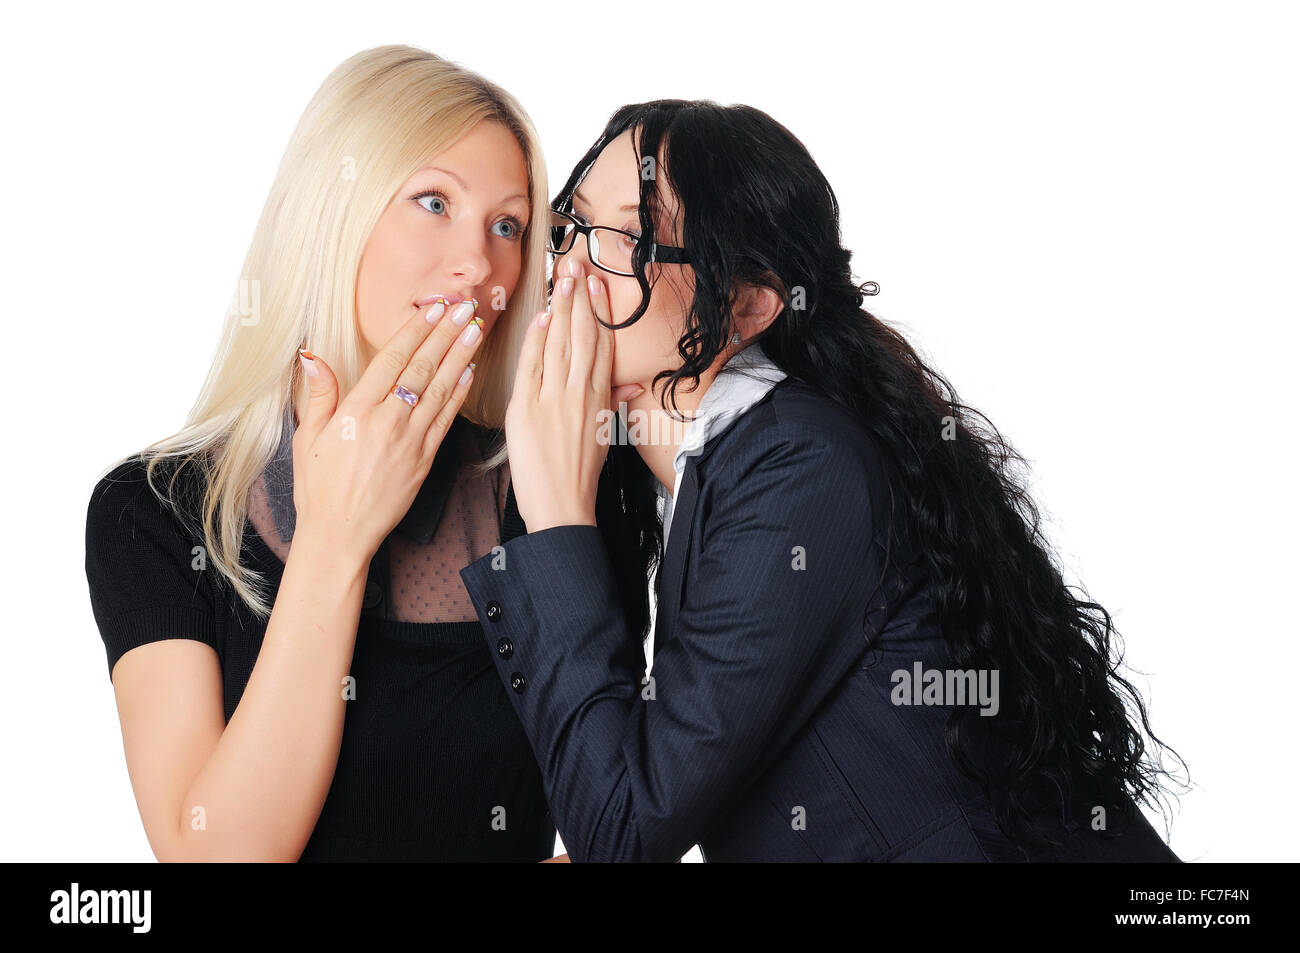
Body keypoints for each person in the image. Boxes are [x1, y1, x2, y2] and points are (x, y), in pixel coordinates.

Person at [459, 100, 1188, 862]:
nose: (571, 269)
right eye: (574, 225)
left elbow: (624, 826)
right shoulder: (708, 475)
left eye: (631, 236)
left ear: (745, 304)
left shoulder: (797, 466)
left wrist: (556, 520)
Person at [84, 45, 560, 861]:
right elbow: (220, 855)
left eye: (507, 224)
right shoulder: (155, 510)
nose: (480, 264)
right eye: (433, 200)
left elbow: (624, 824)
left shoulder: (552, 487)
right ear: (334, 213)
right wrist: (336, 537)